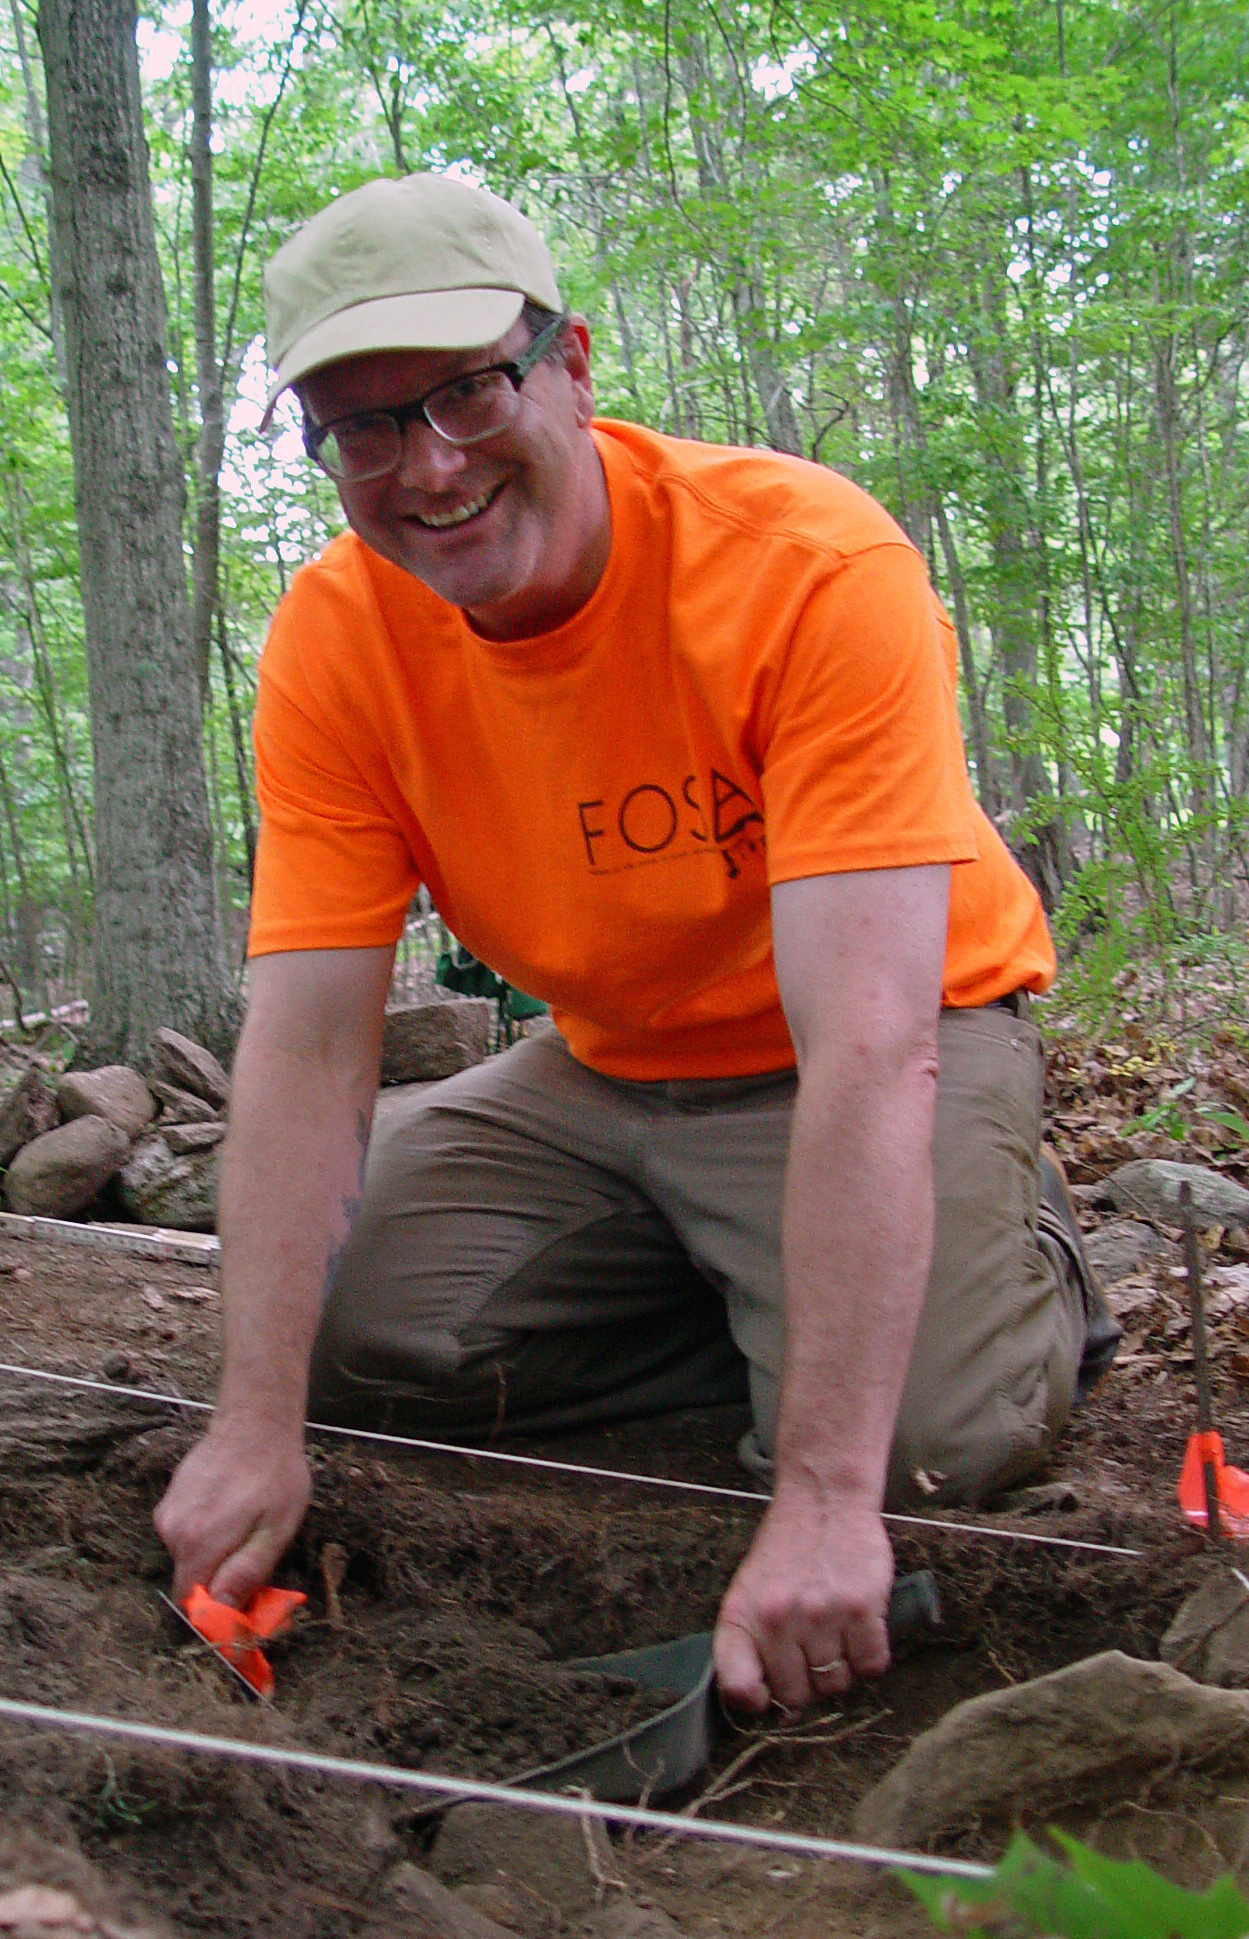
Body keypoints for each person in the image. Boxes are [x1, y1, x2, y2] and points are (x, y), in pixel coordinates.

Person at [155, 172, 1116, 1714]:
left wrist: (816, 1495)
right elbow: (312, 1035)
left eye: (464, 392)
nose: (430, 465)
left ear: (572, 364)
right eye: (364, 428)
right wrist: (253, 1415)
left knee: (930, 1450)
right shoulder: (337, 637)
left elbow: (873, 1039)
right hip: (601, 1069)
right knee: (343, 1350)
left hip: (864, 1047)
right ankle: (753, 1293)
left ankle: (1006, 1272)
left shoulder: (801, 562)